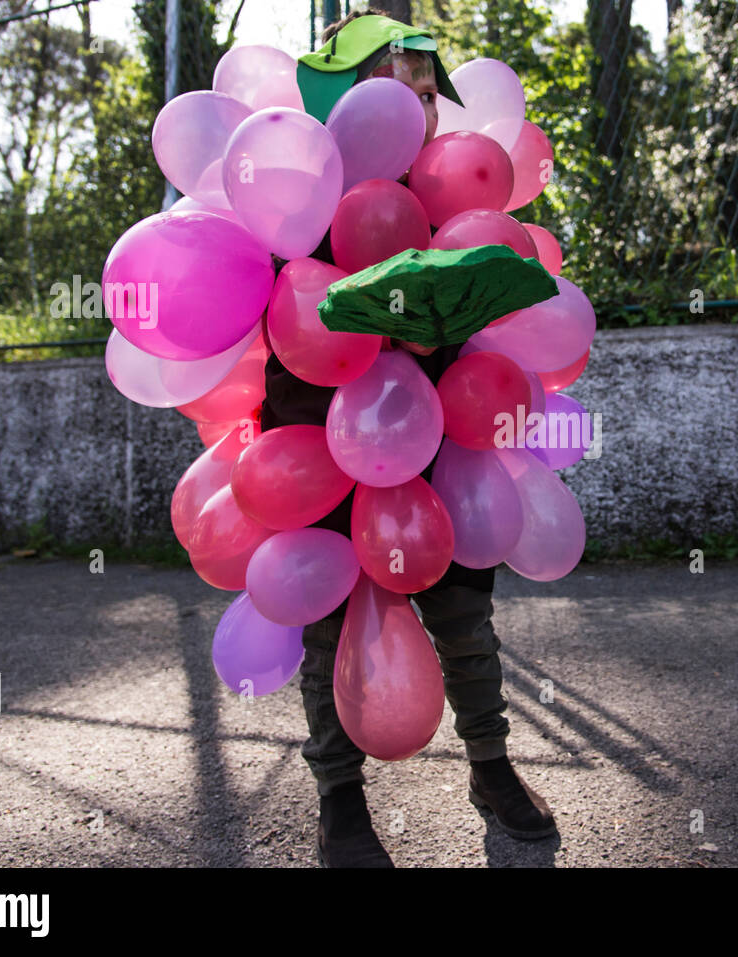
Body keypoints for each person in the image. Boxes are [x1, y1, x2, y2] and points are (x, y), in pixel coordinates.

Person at [262, 9, 556, 868]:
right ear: (354, 102)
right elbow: (295, 329)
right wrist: (369, 333)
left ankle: (491, 766)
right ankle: (339, 799)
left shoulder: (443, 194)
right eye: (406, 90)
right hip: (322, 443)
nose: (423, 111)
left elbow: (476, 314)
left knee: (466, 610)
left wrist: (441, 334)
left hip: (435, 443)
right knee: (326, 623)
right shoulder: (306, 198)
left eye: (432, 97)